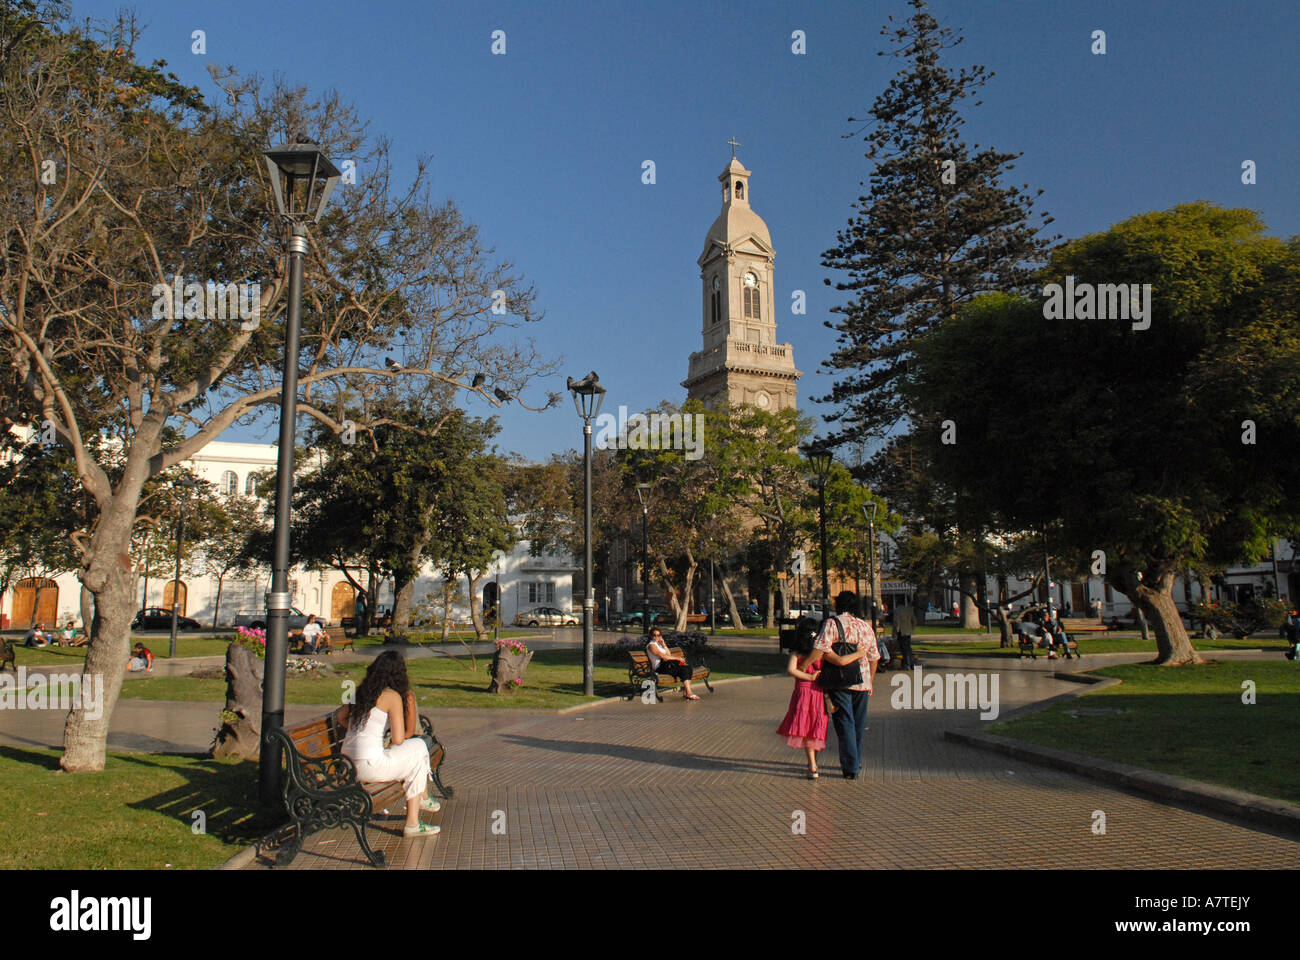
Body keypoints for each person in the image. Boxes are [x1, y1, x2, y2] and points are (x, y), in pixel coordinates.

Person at [337, 650, 440, 838]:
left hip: (347, 765)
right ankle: (414, 819)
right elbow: (399, 739)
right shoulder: (391, 696)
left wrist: (358, 730)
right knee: (418, 748)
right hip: (370, 767)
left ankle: (421, 803)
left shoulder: (360, 691)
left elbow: (340, 717)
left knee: (416, 752)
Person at [806, 591, 879, 780]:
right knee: (858, 724)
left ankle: (850, 766)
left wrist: (804, 665)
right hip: (862, 681)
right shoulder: (865, 627)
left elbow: (820, 647)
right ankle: (856, 760)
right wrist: (870, 681)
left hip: (839, 681)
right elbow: (873, 657)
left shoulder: (832, 623)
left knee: (844, 722)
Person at [775, 626, 830, 779]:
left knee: (805, 727)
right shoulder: (820, 654)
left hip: (802, 692)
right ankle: (813, 762)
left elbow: (791, 670)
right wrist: (814, 678)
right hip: (818, 692)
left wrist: (806, 677)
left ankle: (812, 764)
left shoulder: (797, 653)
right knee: (816, 727)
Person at [645, 626, 699, 700]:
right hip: (660, 668)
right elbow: (664, 657)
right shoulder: (651, 645)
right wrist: (678, 658)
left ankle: (686, 692)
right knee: (683, 670)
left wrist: (664, 644)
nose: (656, 637)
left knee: (688, 667)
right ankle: (689, 693)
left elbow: (669, 654)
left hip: (667, 666)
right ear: (651, 636)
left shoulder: (659, 644)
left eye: (658, 635)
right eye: (654, 635)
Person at [893, 604, 917, 669]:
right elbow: (914, 621)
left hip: (901, 631)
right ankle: (912, 663)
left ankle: (906, 664)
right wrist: (911, 628)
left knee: (903, 649)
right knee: (908, 648)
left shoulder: (897, 610)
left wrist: (895, 633)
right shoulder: (909, 610)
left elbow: (896, 622)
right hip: (908, 631)